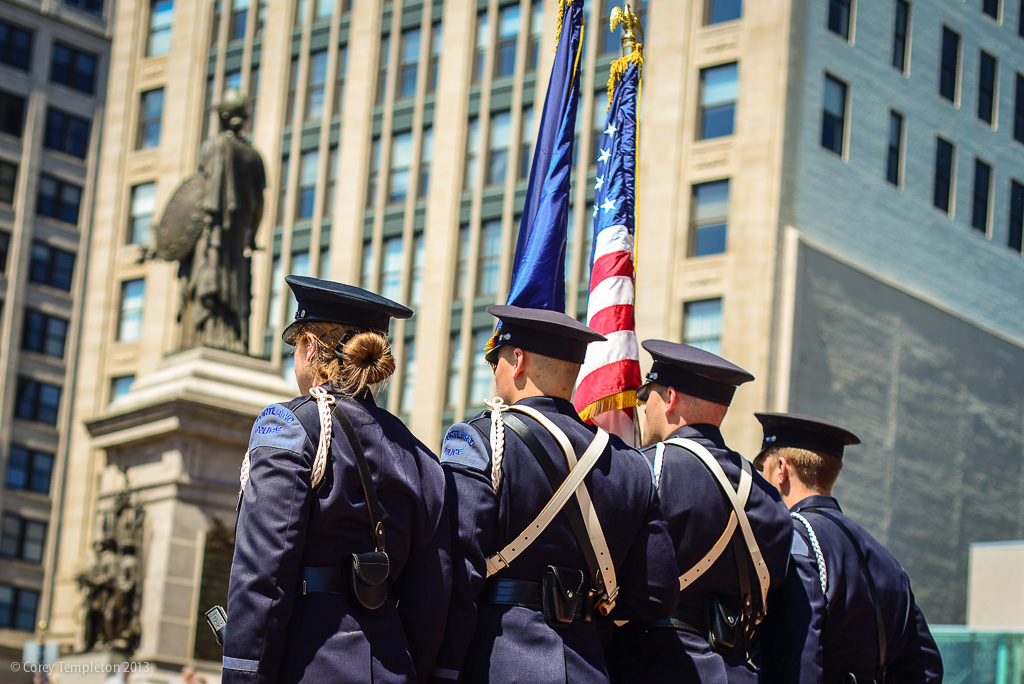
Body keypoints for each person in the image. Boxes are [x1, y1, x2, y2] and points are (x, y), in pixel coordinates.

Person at [222, 275, 451, 684]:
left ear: (310, 348)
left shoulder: (291, 426)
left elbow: (263, 575)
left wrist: (243, 675)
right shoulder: (422, 457)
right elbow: (431, 598)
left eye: (296, 346)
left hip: (309, 664)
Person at [431, 306, 679, 683]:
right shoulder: (630, 464)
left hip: (495, 662)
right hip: (588, 665)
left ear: (517, 361)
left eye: (495, 361)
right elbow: (655, 593)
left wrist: (444, 668)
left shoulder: (483, 439)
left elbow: (457, 571)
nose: (494, 373)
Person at [606, 340, 792, 683]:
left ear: (671, 398)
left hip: (656, 664)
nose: (644, 408)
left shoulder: (648, 468)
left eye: (649, 396)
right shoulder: (769, 497)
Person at [753, 412, 943, 684]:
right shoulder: (883, 557)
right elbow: (925, 668)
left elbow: (794, 654)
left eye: (764, 469)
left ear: (781, 469)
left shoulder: (791, 538)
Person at [175, 89, 266, 353]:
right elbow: (259, 203)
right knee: (234, 288)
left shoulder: (212, 147)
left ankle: (204, 335)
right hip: (238, 240)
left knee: (207, 282)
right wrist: (252, 236)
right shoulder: (254, 156)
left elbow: (198, 194)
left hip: (210, 238)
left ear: (222, 116)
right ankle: (232, 339)